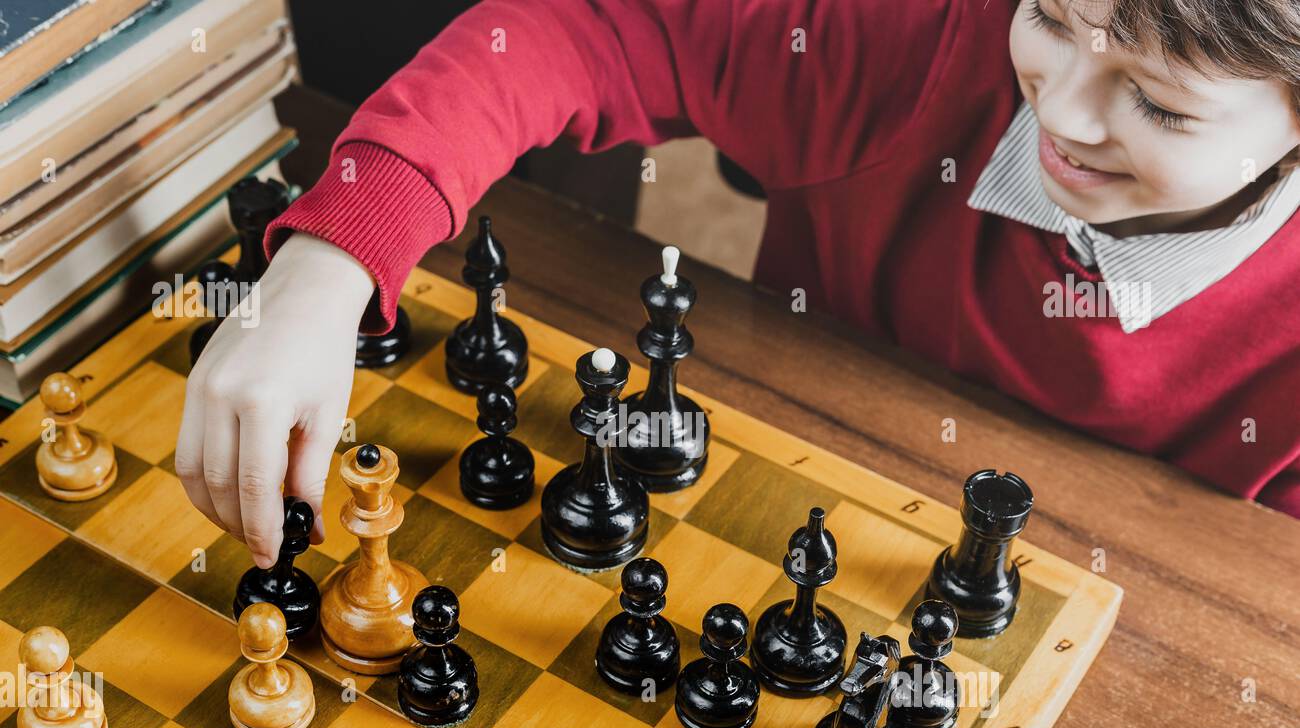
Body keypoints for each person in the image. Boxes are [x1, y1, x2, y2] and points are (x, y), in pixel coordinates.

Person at [177, 0, 1300, 569]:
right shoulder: (915, 40)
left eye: (1160, 105)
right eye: (1052, 18)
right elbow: (586, 29)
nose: (1057, 111)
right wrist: (333, 260)